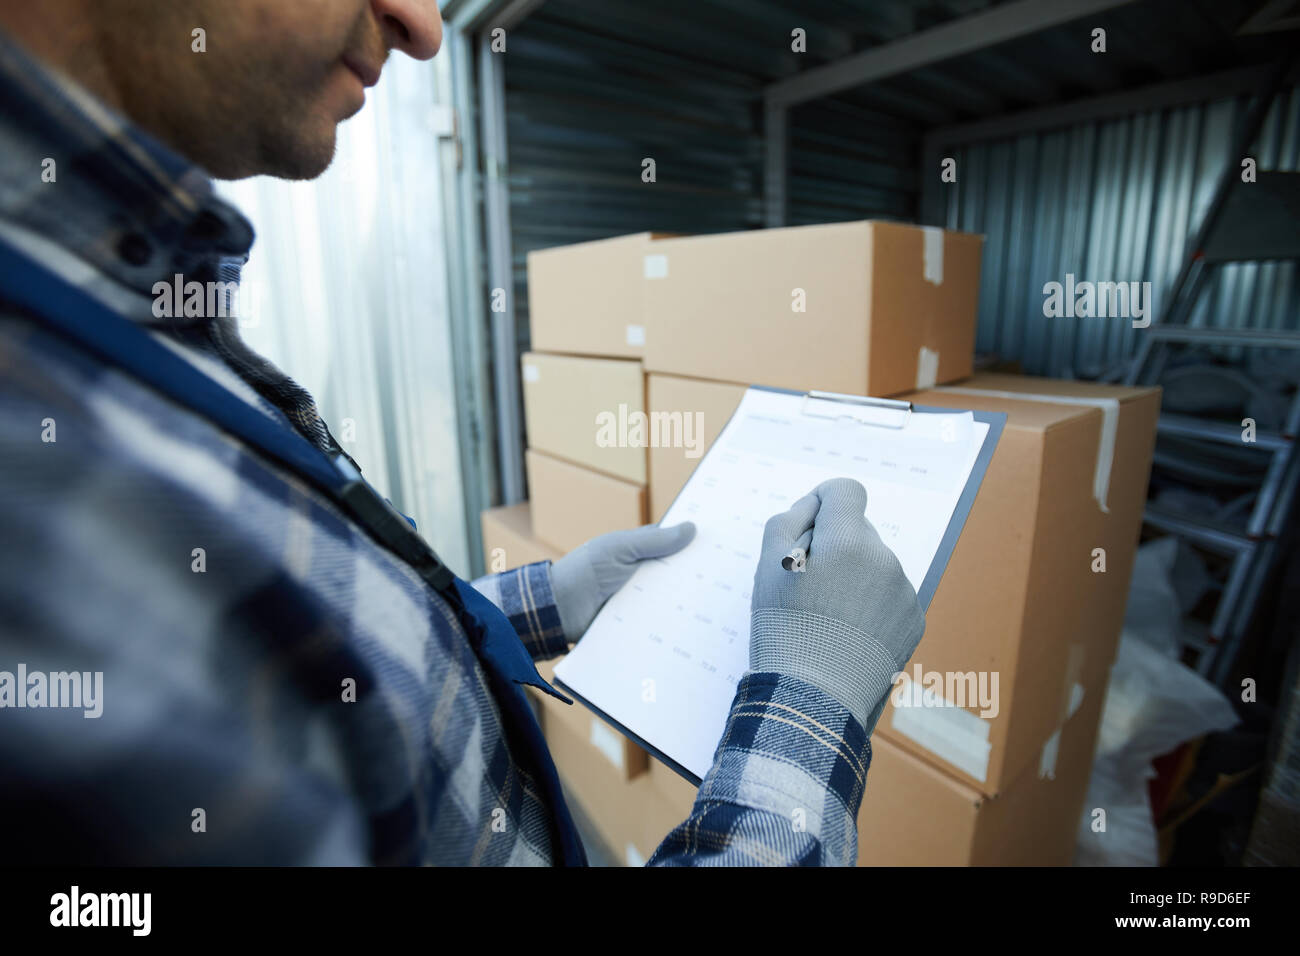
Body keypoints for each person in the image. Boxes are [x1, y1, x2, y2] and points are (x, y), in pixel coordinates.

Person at [0, 0, 925, 866]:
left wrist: (529, 606)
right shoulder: (36, 478)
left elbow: (307, 667)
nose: (421, 25)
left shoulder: (102, 307)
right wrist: (813, 699)